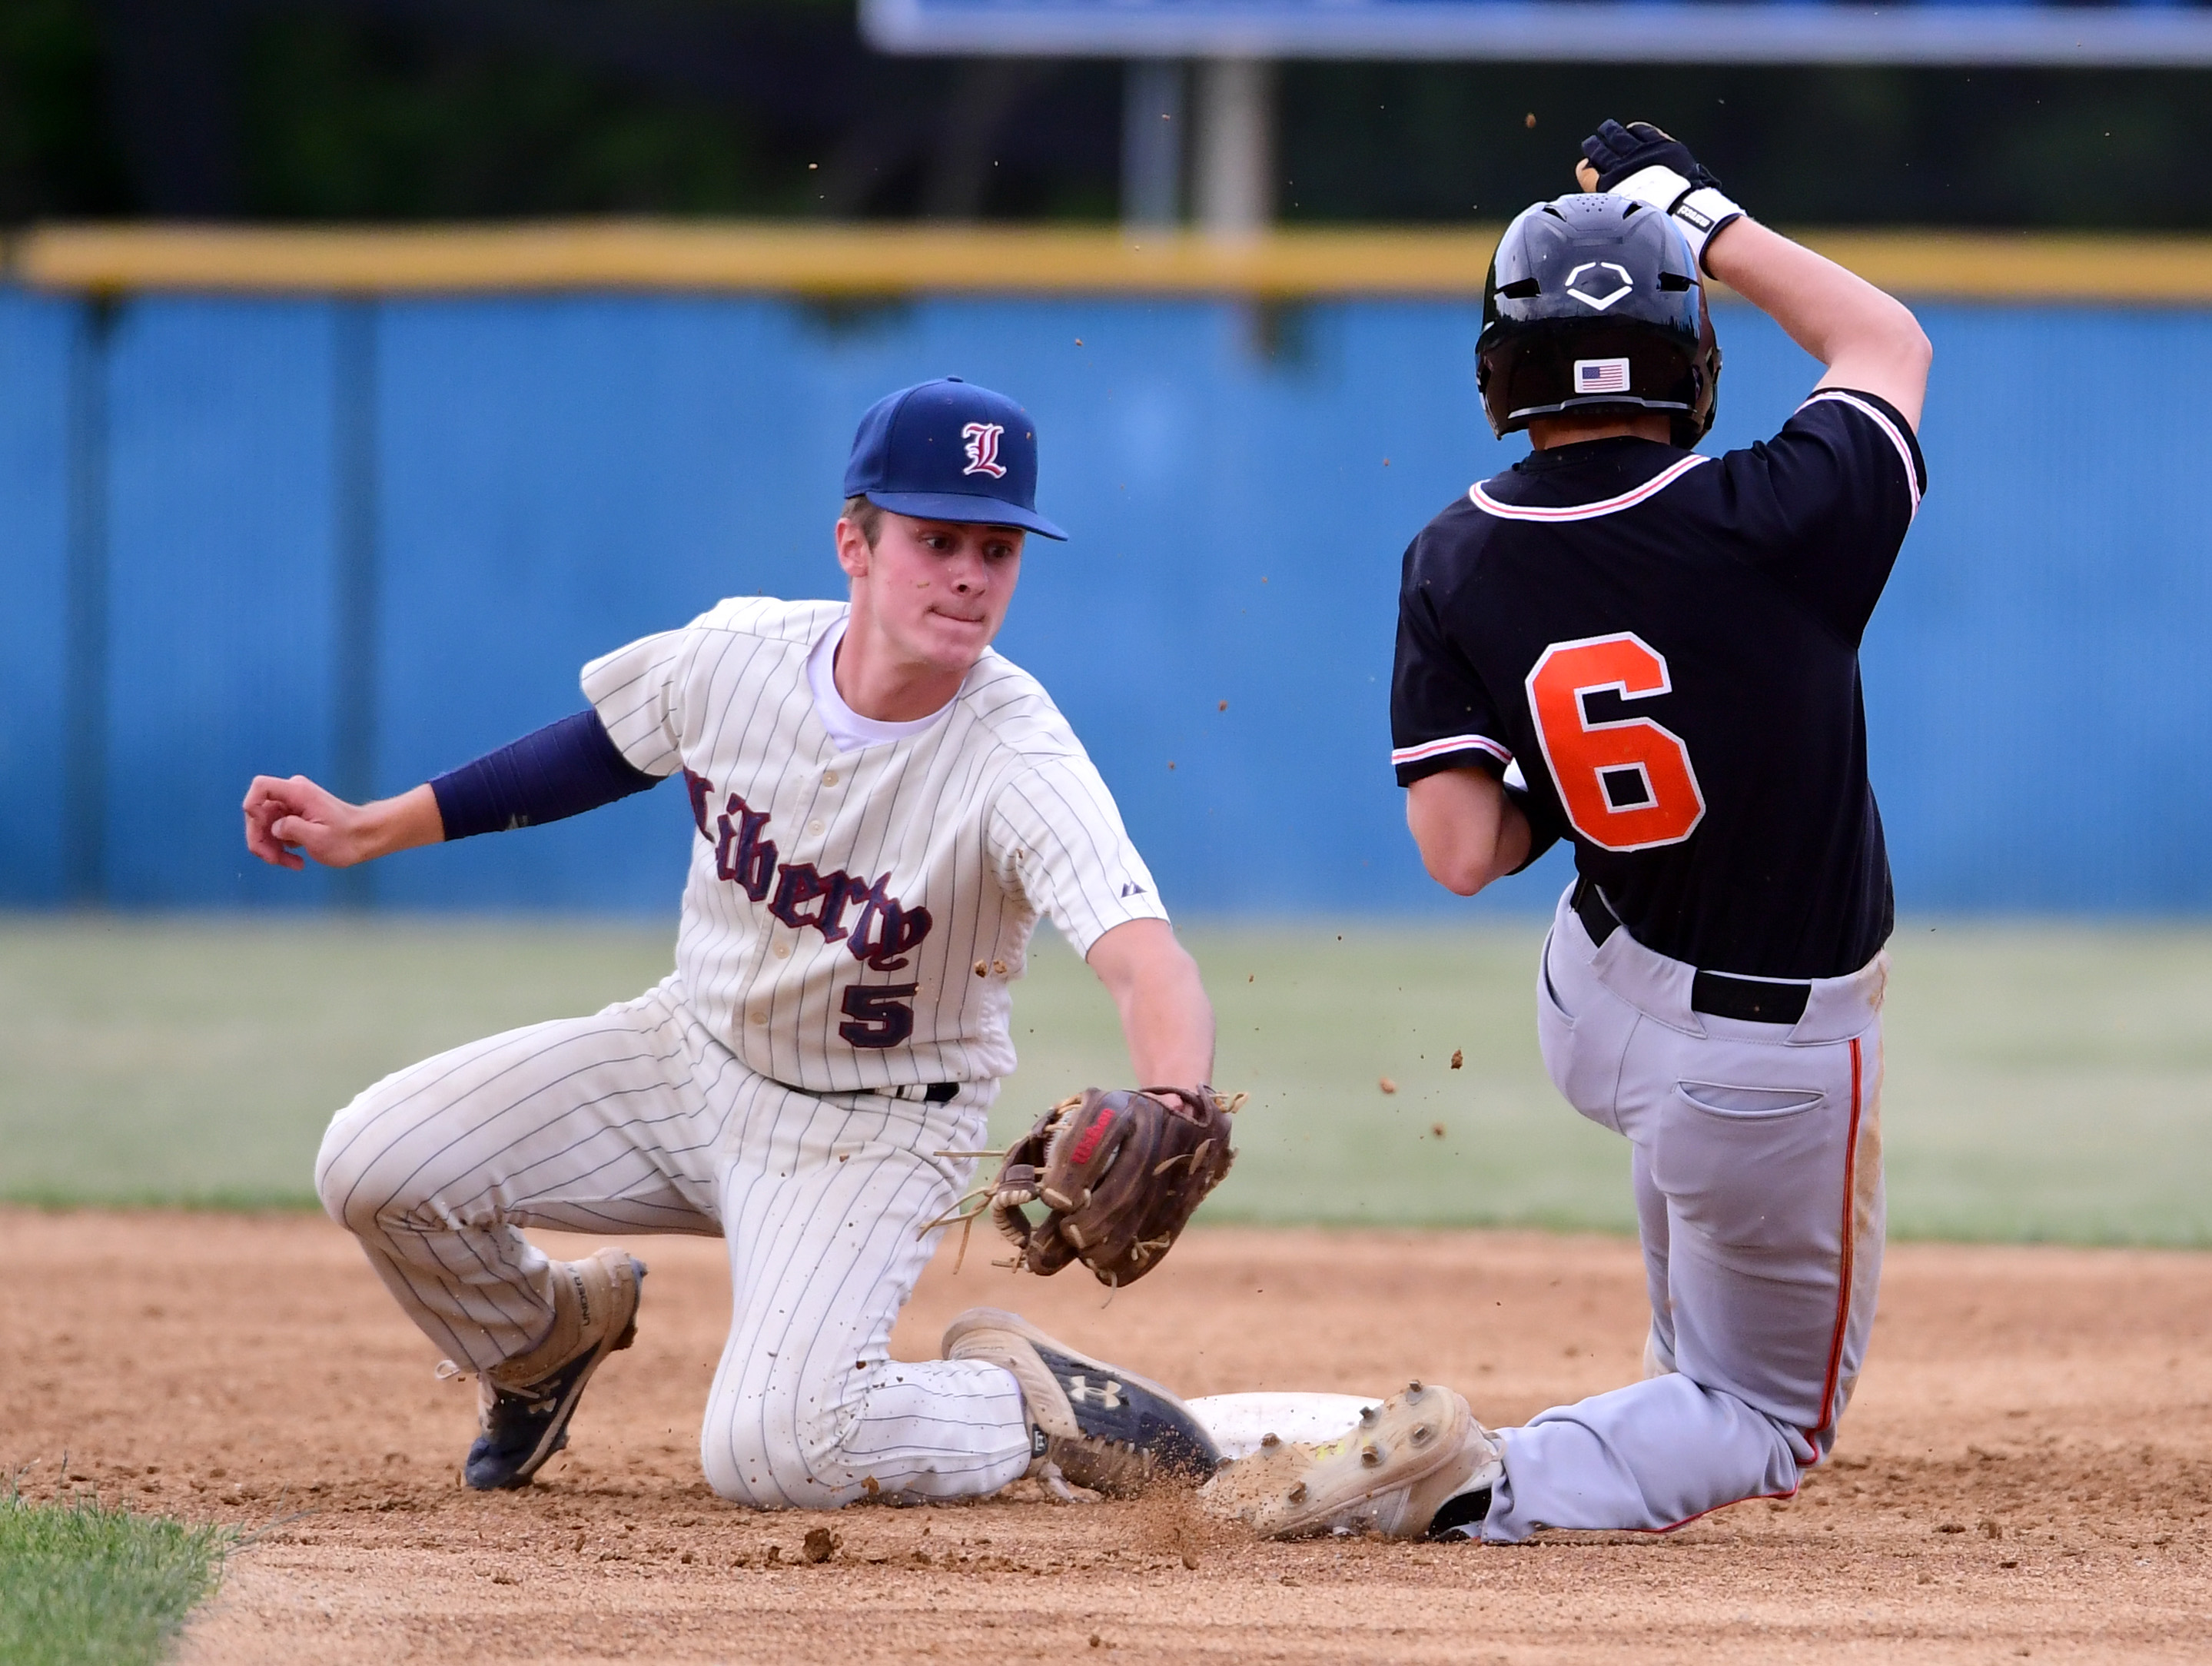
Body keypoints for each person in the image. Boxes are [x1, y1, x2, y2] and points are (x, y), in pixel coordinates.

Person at [243, 377, 1224, 1505]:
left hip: (868, 1132)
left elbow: (1144, 956)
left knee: (780, 1454)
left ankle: (1020, 1406)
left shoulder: (1018, 756)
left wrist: (1179, 1104)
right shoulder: (738, 656)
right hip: (683, 1057)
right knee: (375, 1163)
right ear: (852, 544)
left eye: (997, 550)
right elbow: (592, 753)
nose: (967, 573)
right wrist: (373, 828)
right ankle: (540, 1342)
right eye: (934, 538)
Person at [1224, 121, 1931, 1542]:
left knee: (1694, 1300)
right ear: (1691, 353)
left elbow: (1462, 852)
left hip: (1594, 999)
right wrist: (1692, 206)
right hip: (1766, 1061)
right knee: (1766, 1420)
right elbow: (1882, 341)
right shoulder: (1780, 511)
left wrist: (1566, 762)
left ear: (1502, 369)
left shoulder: (1457, 550)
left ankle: (1643, 1375)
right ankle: (1484, 1486)